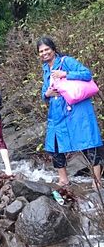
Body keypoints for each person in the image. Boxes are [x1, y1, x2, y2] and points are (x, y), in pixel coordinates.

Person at [37, 36, 103, 189]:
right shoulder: (46, 70)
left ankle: (97, 182)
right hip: (58, 113)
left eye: (47, 49)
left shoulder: (67, 61)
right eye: (41, 51)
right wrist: (47, 94)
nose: (44, 53)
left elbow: (87, 74)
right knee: (54, 145)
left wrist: (65, 74)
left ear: (53, 49)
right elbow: (44, 93)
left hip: (78, 111)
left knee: (89, 142)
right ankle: (64, 179)